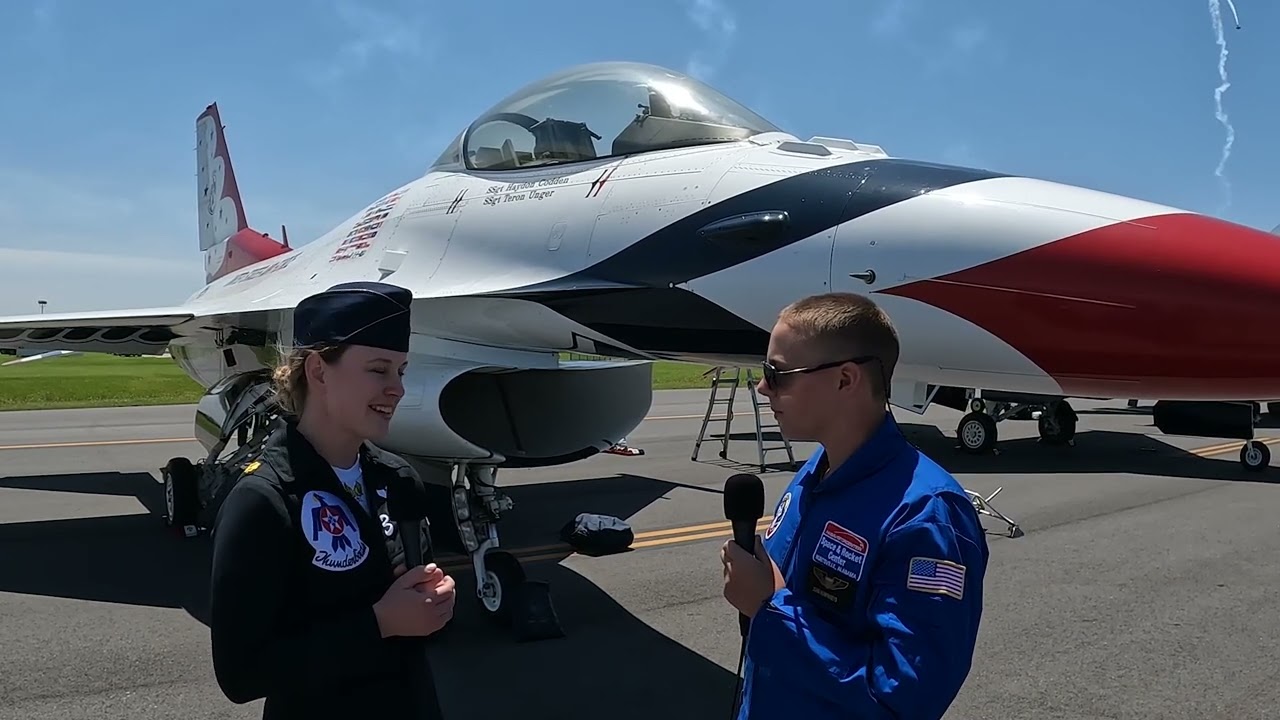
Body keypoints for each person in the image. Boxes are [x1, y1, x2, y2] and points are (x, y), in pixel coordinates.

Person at [720, 292, 989, 720]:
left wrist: (770, 611)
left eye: (779, 373)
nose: (762, 386)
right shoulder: (815, 469)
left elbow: (903, 696)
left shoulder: (926, 514)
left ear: (845, 380)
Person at [208, 281, 454, 719]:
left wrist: (432, 605)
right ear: (319, 370)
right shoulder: (264, 500)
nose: (397, 388)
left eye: (401, 371)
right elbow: (241, 674)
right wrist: (379, 622)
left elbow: (417, 629)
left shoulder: (399, 482)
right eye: (379, 370)